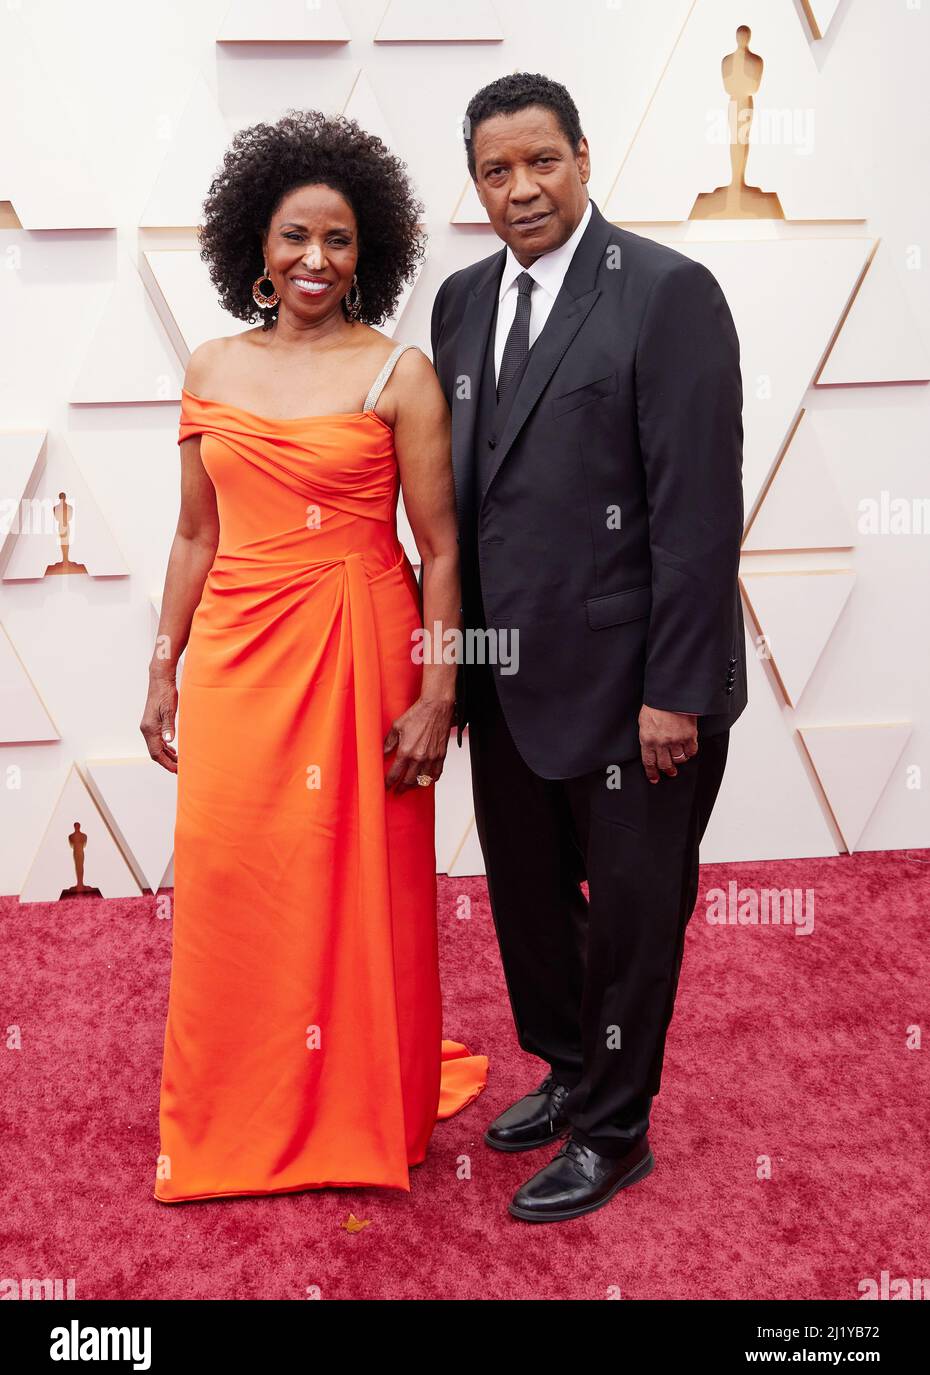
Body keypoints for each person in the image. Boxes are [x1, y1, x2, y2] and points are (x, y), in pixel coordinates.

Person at [140, 110, 487, 1204]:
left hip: (361, 636)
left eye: (339, 240)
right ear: (256, 246)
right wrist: (161, 665)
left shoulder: (400, 373)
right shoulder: (209, 365)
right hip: (240, 648)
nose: (315, 261)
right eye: (296, 237)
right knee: (235, 872)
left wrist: (441, 692)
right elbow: (196, 532)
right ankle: (238, 1104)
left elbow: (440, 547)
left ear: (367, 252)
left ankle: (356, 1098)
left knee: (359, 871)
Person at [430, 74, 746, 1223]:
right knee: (526, 899)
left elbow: (702, 512)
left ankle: (616, 1131)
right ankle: (569, 1071)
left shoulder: (666, 293)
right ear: (476, 184)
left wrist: (678, 692)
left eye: (541, 162)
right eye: (495, 171)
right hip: (508, 677)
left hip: (636, 691)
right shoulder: (461, 304)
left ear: (584, 156)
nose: (520, 189)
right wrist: (455, 670)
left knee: (628, 915)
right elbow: (462, 507)